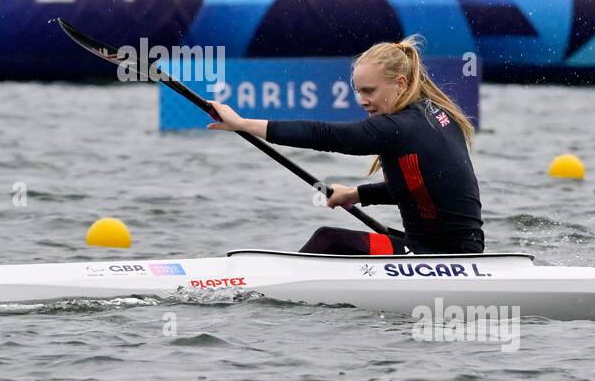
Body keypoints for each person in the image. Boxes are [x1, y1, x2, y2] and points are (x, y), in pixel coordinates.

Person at [206, 36, 482, 256]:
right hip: (457, 251)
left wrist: (243, 124)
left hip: (438, 256)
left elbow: (324, 135)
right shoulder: (436, 114)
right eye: (359, 91)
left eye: (369, 91)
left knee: (328, 239)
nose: (362, 100)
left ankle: (266, 293)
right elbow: (422, 186)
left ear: (400, 84)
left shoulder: (398, 127)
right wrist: (355, 194)